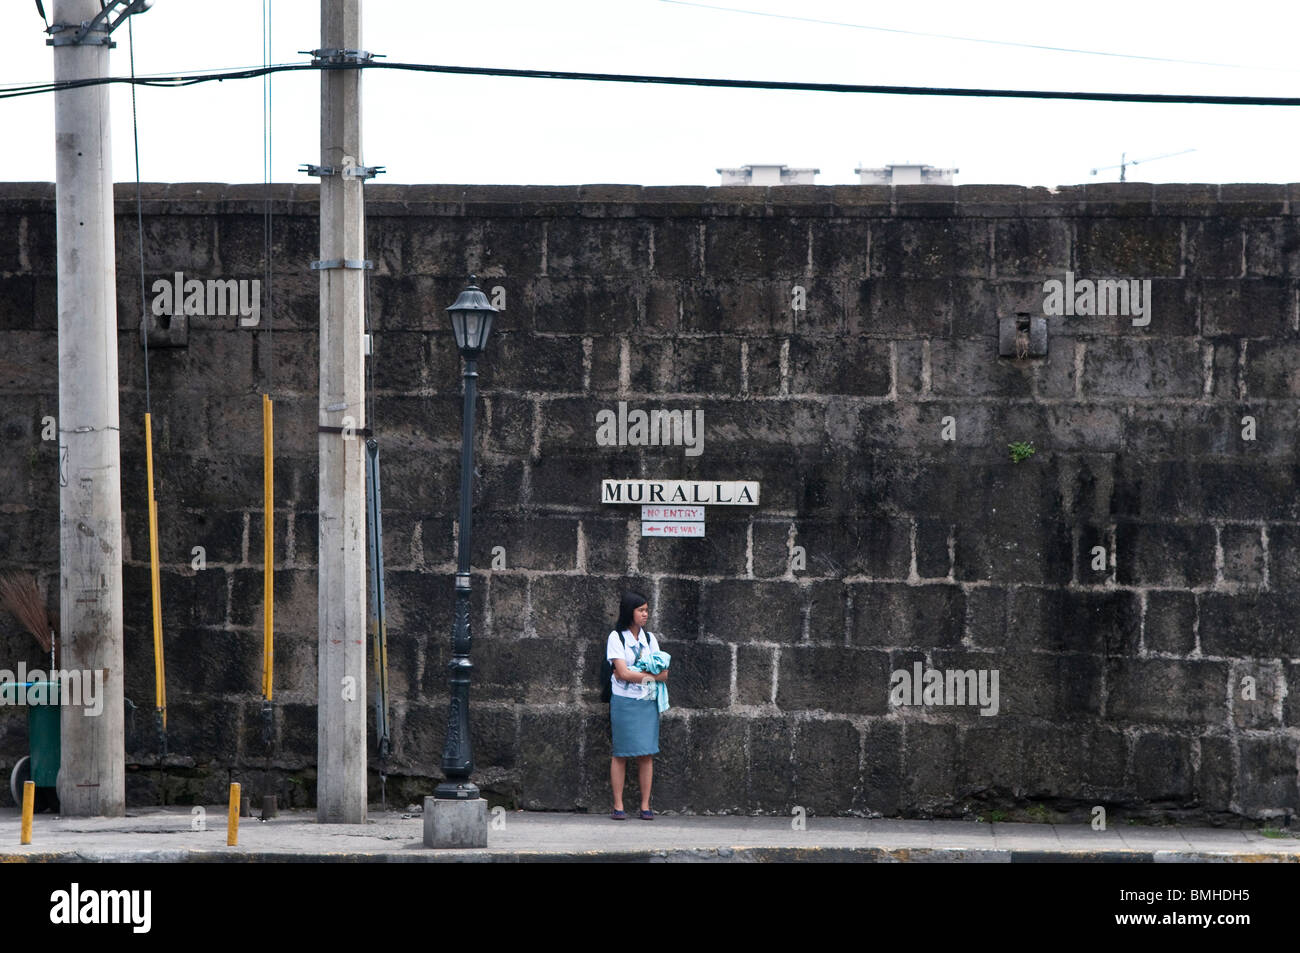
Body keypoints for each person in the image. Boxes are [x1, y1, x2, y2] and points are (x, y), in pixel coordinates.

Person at [606, 590, 668, 820]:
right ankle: (618, 805)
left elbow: (663, 673)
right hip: (623, 701)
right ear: (629, 612)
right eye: (640, 610)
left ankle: (645, 805)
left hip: (646, 701)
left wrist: (634, 674)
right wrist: (646, 674)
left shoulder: (650, 639)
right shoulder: (617, 638)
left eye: (646, 610)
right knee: (620, 753)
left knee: (647, 753)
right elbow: (620, 673)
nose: (645, 614)